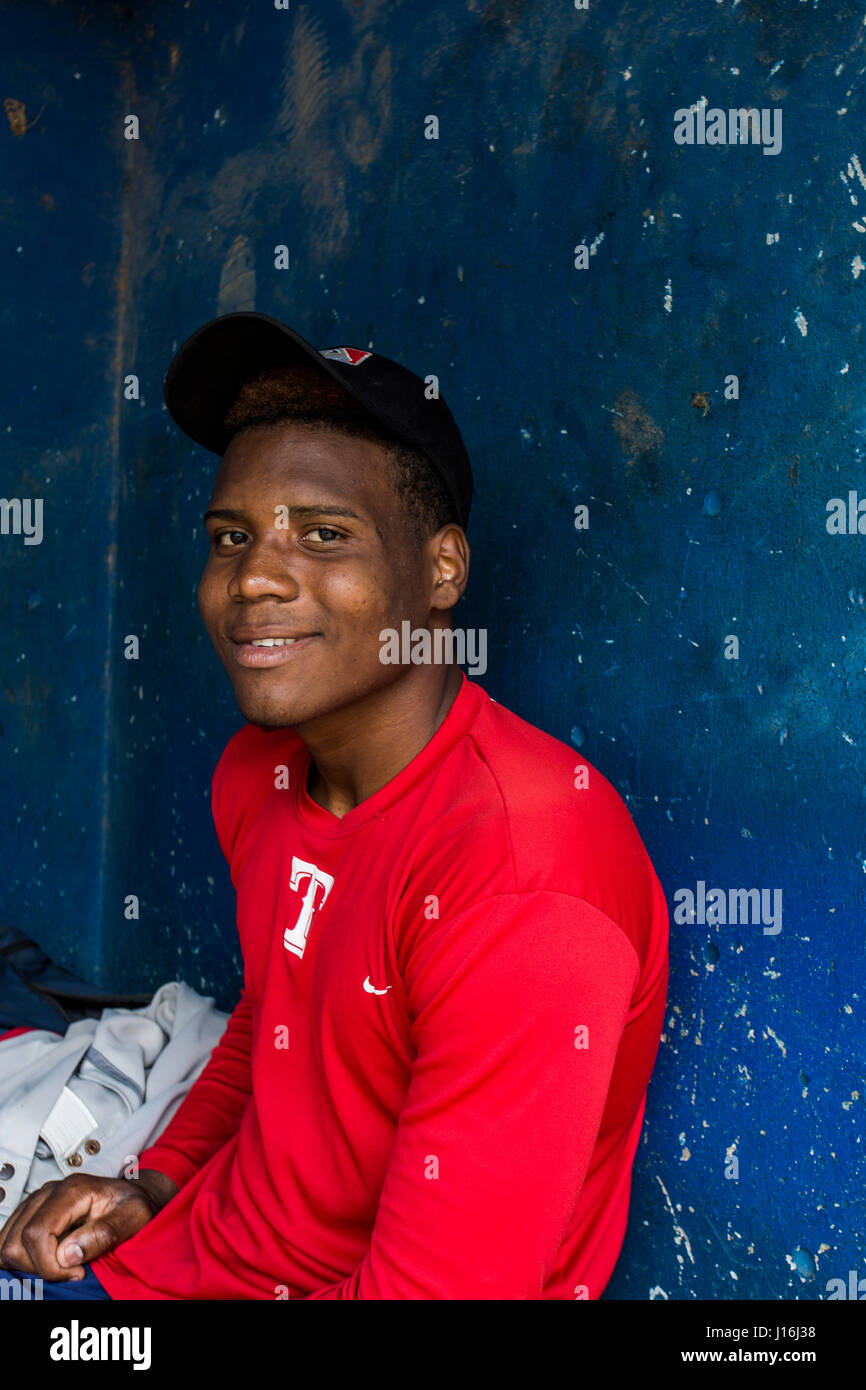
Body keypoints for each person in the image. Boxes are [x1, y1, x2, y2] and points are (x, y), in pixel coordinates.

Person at [0, 312, 668, 1300]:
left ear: (441, 570)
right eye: (231, 536)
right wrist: (155, 1186)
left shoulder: (523, 876)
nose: (255, 577)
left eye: (322, 534)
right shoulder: (256, 774)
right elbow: (275, 1026)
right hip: (178, 1256)